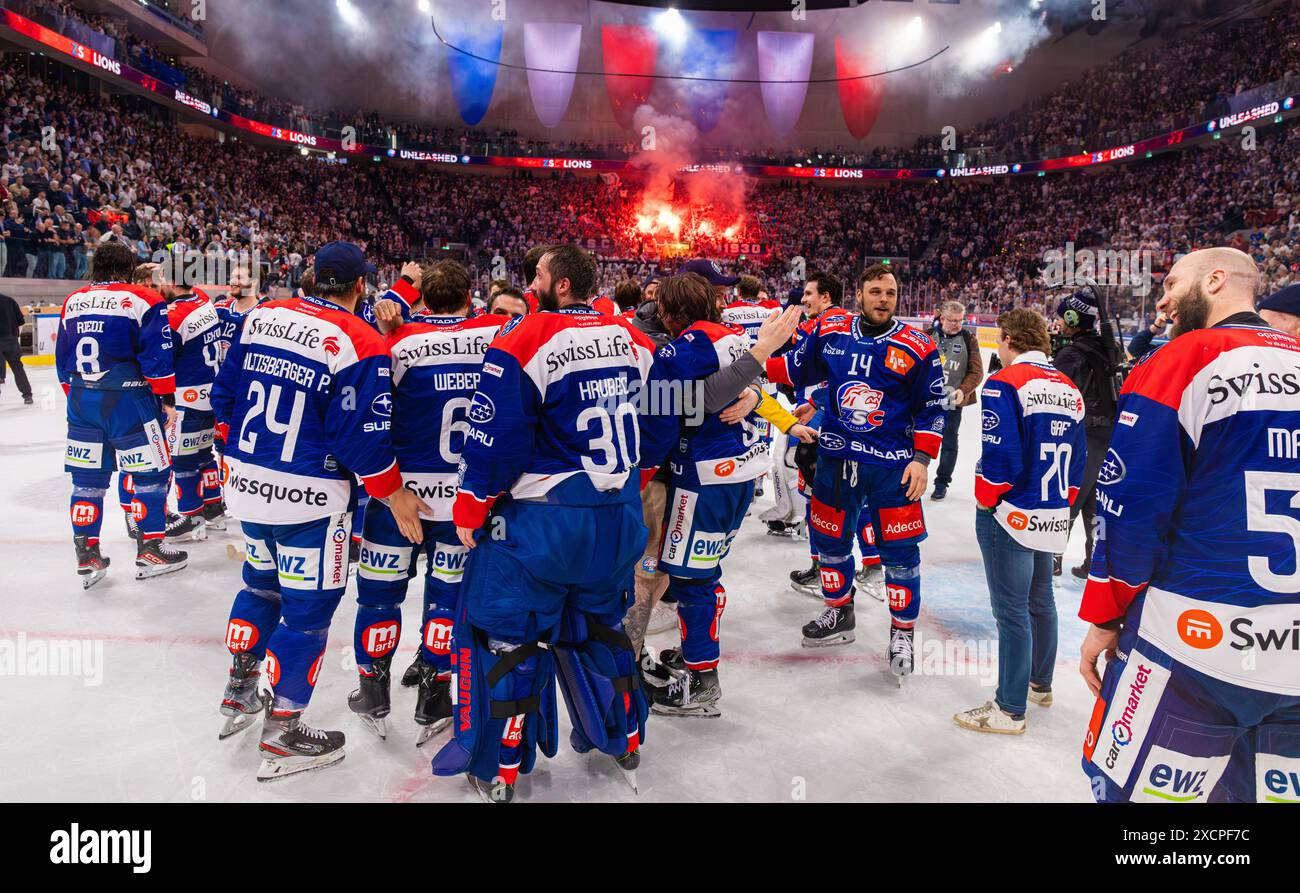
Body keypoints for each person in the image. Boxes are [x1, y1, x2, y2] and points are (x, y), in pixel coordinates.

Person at [433, 244, 656, 802]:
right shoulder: (634, 338)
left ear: (559, 285)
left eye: (536, 274)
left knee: (503, 637)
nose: (529, 281)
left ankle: (500, 766)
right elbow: (658, 423)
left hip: (545, 522)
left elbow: (496, 437)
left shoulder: (525, 337)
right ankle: (622, 735)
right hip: (619, 517)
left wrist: (471, 505)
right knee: (600, 628)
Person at [1080, 246, 1300, 803]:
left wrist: (1106, 616)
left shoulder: (1188, 358)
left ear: (1216, 281)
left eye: (1173, 283)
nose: (1162, 298)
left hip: (1192, 647)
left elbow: (1130, 505)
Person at [211, 240, 429, 780]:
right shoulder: (358, 341)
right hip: (311, 497)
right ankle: (284, 729)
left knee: (259, 583)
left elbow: (224, 395)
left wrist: (237, 457)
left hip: (248, 485)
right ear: (360, 286)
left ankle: (240, 692)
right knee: (307, 616)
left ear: (312, 277)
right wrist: (395, 493)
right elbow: (362, 440)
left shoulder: (263, 314)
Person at [348, 259, 508, 746]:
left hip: (401, 497)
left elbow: (369, 415)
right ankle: (435, 694)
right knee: (446, 597)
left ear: (422, 299)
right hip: (463, 499)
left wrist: (400, 297)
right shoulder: (497, 336)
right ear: (470, 297)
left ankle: (372, 690)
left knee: (378, 594)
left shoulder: (395, 343)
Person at [639, 274, 811, 715]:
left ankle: (701, 677)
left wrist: (640, 475)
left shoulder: (680, 350)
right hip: (740, 476)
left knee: (692, 579)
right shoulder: (734, 339)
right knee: (702, 571)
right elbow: (729, 395)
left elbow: (661, 420)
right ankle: (700, 651)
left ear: (666, 311)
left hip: (701, 480)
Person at [767, 263, 945, 677]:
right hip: (836, 457)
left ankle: (902, 632)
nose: (884, 299)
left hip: (892, 468)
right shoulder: (832, 332)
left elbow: (934, 409)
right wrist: (751, 362)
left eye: (891, 293)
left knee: (900, 556)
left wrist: (921, 461)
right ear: (860, 295)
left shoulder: (918, 346)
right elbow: (797, 370)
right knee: (829, 541)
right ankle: (838, 612)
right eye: (876, 291)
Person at [954, 308, 1085, 735]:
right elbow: (1079, 463)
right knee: (1040, 600)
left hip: (1011, 512)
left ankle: (1009, 709)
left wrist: (988, 502)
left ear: (1007, 339)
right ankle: (1039, 685)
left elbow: (1001, 460)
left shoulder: (1005, 383)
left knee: (1010, 611)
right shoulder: (1070, 388)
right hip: (1052, 511)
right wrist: (1060, 506)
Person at [55, 241, 186, 589]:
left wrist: (79, 399)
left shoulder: (74, 300)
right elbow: (156, 358)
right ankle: (152, 549)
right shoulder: (144, 299)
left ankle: (87, 554)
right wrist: (167, 400)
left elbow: (62, 358)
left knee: (87, 482)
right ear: (129, 267)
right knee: (150, 475)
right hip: (130, 401)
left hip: (83, 400)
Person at [154, 264, 224, 542]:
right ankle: (213, 509)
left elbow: (163, 358)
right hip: (210, 395)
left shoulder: (175, 316)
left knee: (183, 461)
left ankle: (191, 517)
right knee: (204, 455)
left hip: (186, 399)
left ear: (172, 281)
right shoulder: (204, 301)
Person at [1051, 289, 1117, 579]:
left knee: (1070, 498)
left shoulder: (1071, 354)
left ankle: (1052, 558)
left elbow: (1057, 396)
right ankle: (1095, 560)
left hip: (1083, 435)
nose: (1060, 324)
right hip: (1109, 436)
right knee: (1094, 503)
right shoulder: (1109, 348)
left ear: (1073, 317)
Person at [928, 300, 984, 501]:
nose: (957, 325)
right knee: (917, 437)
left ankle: (942, 482)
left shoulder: (969, 338)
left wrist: (963, 390)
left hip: (952, 399)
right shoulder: (927, 336)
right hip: (926, 399)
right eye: (953, 321)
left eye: (960, 320)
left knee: (949, 442)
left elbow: (977, 371)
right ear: (942, 318)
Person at [0, 290, 34, 404]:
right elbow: (21, 321)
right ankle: (27, 395)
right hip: (11, 341)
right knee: (18, 368)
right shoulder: (9, 300)